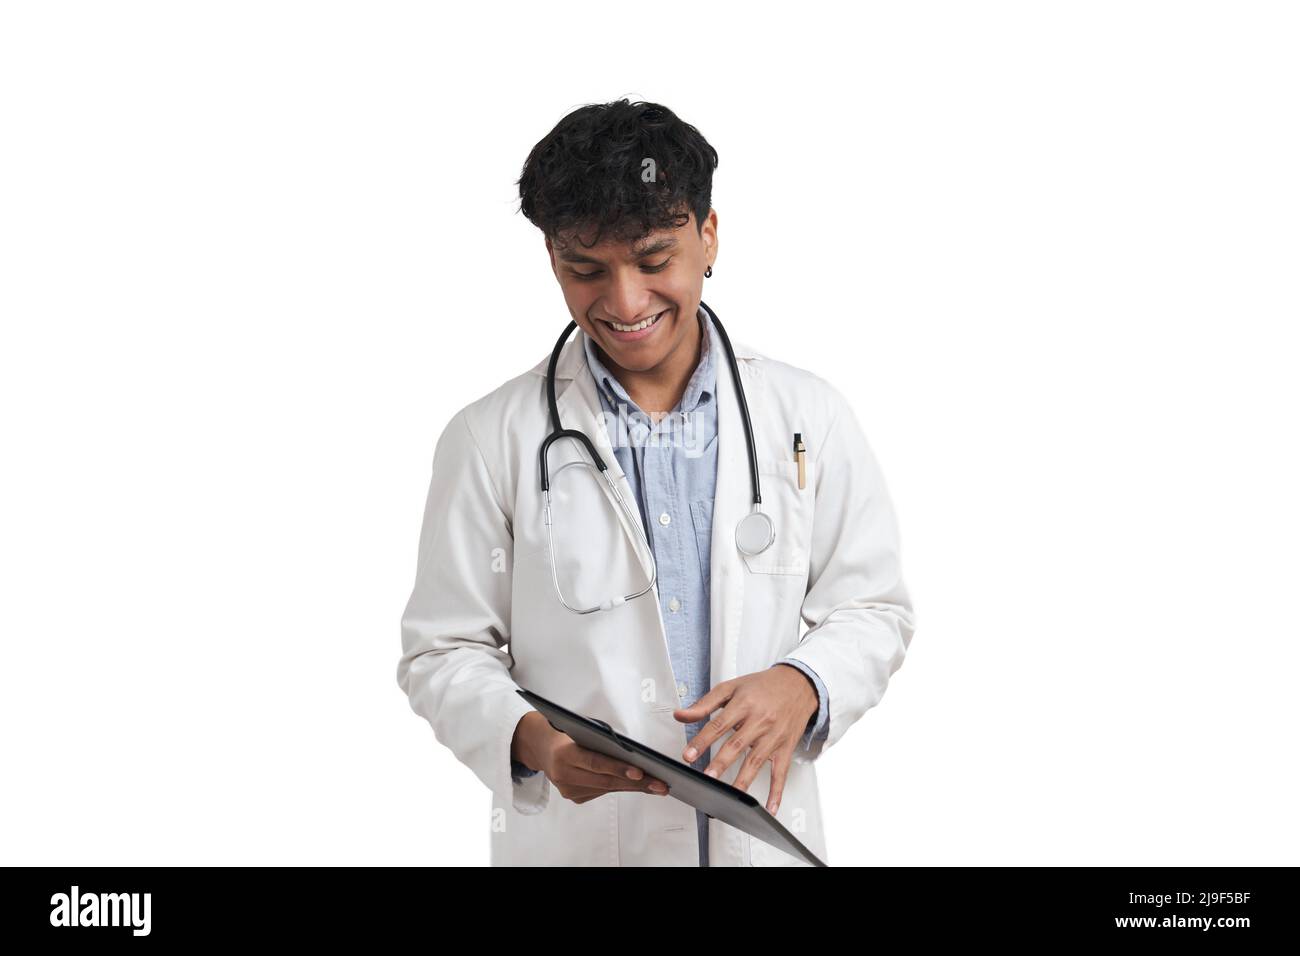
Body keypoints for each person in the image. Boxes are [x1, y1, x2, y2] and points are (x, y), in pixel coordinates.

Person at [397, 99, 915, 866]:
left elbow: (873, 608)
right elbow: (441, 651)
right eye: (585, 269)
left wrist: (802, 683)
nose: (625, 302)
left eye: (652, 259)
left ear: (708, 236)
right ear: (550, 258)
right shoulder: (488, 439)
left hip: (760, 843)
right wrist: (532, 742)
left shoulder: (807, 416)